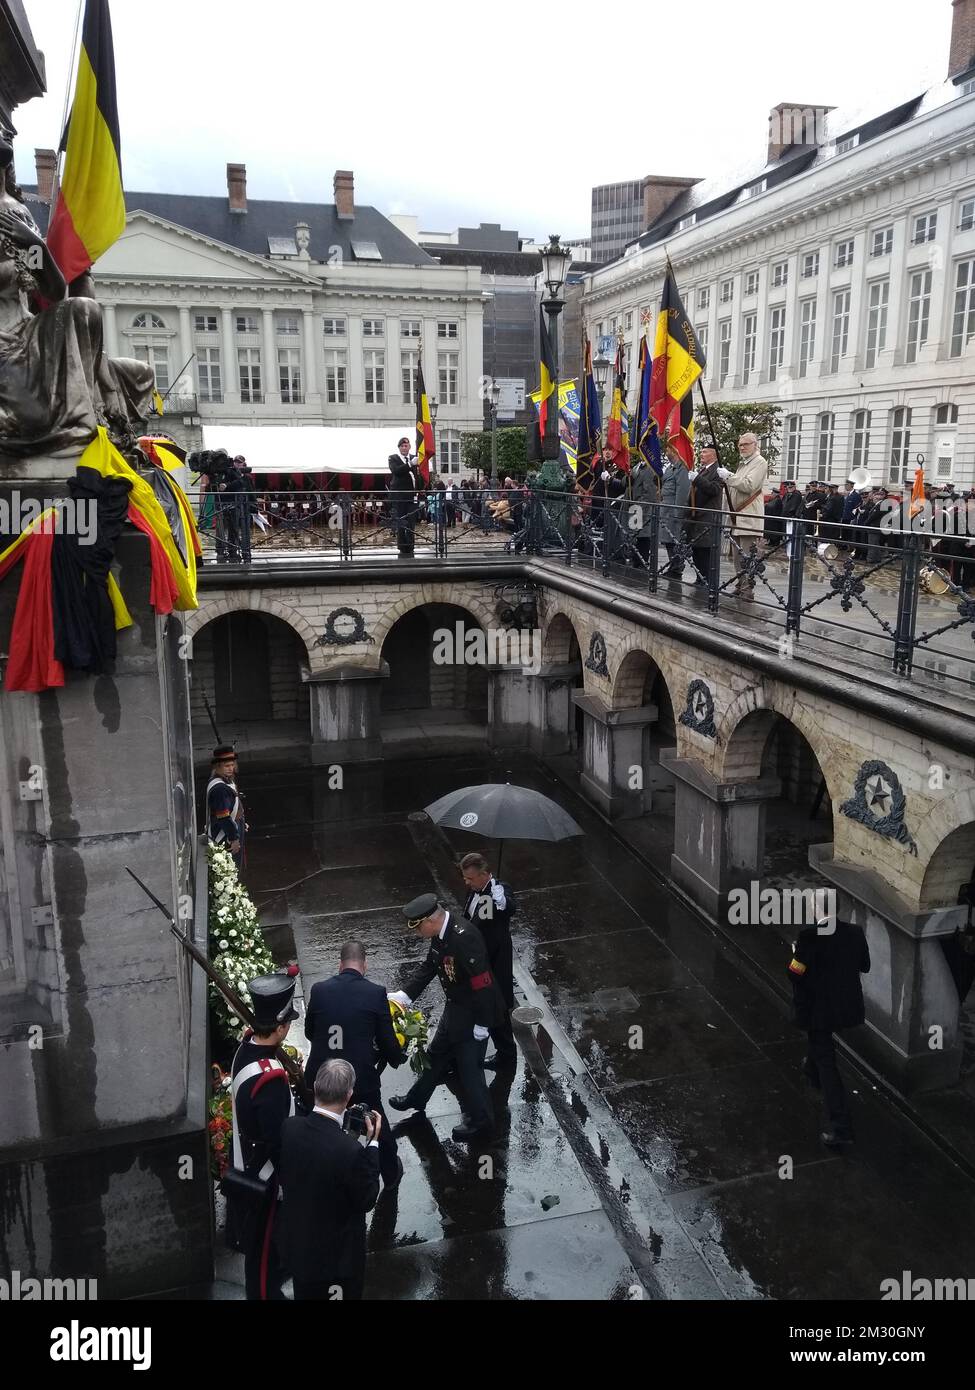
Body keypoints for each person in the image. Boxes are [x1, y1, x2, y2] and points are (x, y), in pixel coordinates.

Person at [388, 893, 501, 1142]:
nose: (418, 933)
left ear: (430, 921)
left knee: (470, 1071)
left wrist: (483, 1023)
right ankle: (416, 1098)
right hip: (456, 1009)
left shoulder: (464, 938)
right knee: (435, 1055)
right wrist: (405, 995)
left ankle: (483, 1123)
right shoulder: (441, 935)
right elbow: (430, 967)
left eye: (418, 928)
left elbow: (482, 983)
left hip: (474, 1014)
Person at [303, 940, 405, 1187]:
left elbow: (310, 1032)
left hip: (320, 1076)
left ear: (340, 964)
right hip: (359, 1079)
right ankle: (390, 1173)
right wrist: (396, 1057)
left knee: (317, 1124)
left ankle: (316, 1173)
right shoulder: (375, 993)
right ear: (365, 965)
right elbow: (387, 1040)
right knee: (376, 1120)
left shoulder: (319, 989)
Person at [279, 1059, 381, 1301]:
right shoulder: (350, 1150)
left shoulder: (289, 1127)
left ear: (315, 1086)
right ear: (349, 1096)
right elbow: (366, 1198)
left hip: (299, 1249)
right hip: (337, 1261)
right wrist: (373, 1144)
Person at [229, 971, 300, 1300]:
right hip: (265, 1176)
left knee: (262, 1247)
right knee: (262, 1256)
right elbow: (277, 1143)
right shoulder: (270, 1081)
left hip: (244, 1160)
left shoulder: (245, 1047)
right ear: (282, 1026)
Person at [789, 916, 870, 1148]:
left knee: (827, 1062)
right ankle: (810, 1068)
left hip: (818, 1011)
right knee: (818, 1047)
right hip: (845, 1007)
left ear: (816, 910)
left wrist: (796, 953)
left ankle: (842, 1129)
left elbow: (794, 973)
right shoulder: (855, 932)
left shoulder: (808, 937)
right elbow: (865, 965)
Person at [460, 853, 517, 1070]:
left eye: (470, 878)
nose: (466, 882)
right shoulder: (476, 890)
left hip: (495, 960)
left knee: (498, 1008)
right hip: (479, 957)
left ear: (484, 874)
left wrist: (502, 901)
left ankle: (507, 1056)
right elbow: (472, 921)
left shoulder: (498, 891)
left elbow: (510, 908)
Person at [718, 433, 768, 601]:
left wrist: (729, 476)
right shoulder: (744, 463)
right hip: (738, 516)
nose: (742, 447)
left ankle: (747, 589)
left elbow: (749, 485)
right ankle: (740, 585)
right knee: (737, 556)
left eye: (746, 444)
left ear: (755, 445)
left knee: (747, 555)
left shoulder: (759, 462)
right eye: (740, 444)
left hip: (749, 517)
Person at [686, 445, 724, 584]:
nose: (701, 454)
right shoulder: (703, 470)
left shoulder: (718, 470)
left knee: (705, 553)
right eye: (701, 451)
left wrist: (697, 479)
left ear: (713, 455)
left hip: (707, 516)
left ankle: (706, 580)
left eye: (705, 452)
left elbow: (714, 489)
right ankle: (700, 578)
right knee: (697, 550)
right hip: (696, 517)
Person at [207, 745, 245, 869]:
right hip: (225, 834)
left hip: (233, 825)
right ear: (218, 767)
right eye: (226, 766)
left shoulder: (225, 780)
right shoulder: (220, 789)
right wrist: (234, 838)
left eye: (232, 765)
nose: (231, 769)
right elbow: (223, 817)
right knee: (231, 868)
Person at [659, 444, 691, 576]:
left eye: (668, 449)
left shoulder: (682, 468)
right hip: (666, 507)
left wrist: (678, 512)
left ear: (675, 451)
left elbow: (682, 491)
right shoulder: (669, 468)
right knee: (667, 539)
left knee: (674, 539)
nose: (666, 452)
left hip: (673, 508)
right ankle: (673, 565)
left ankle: (677, 567)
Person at [387, 436, 421, 556]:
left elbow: (418, 475)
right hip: (399, 496)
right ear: (399, 447)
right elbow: (396, 471)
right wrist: (410, 464)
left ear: (409, 447)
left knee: (411, 522)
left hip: (412, 496)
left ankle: (411, 546)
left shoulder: (414, 457)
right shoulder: (393, 458)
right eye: (402, 446)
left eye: (406, 446)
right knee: (401, 522)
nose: (404, 448)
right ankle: (402, 547)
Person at [628, 454, 660, 568]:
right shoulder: (637, 467)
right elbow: (627, 483)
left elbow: (649, 492)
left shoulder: (649, 468)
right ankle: (635, 559)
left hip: (642, 507)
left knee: (643, 536)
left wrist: (640, 506)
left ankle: (642, 561)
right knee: (634, 535)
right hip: (634, 506)